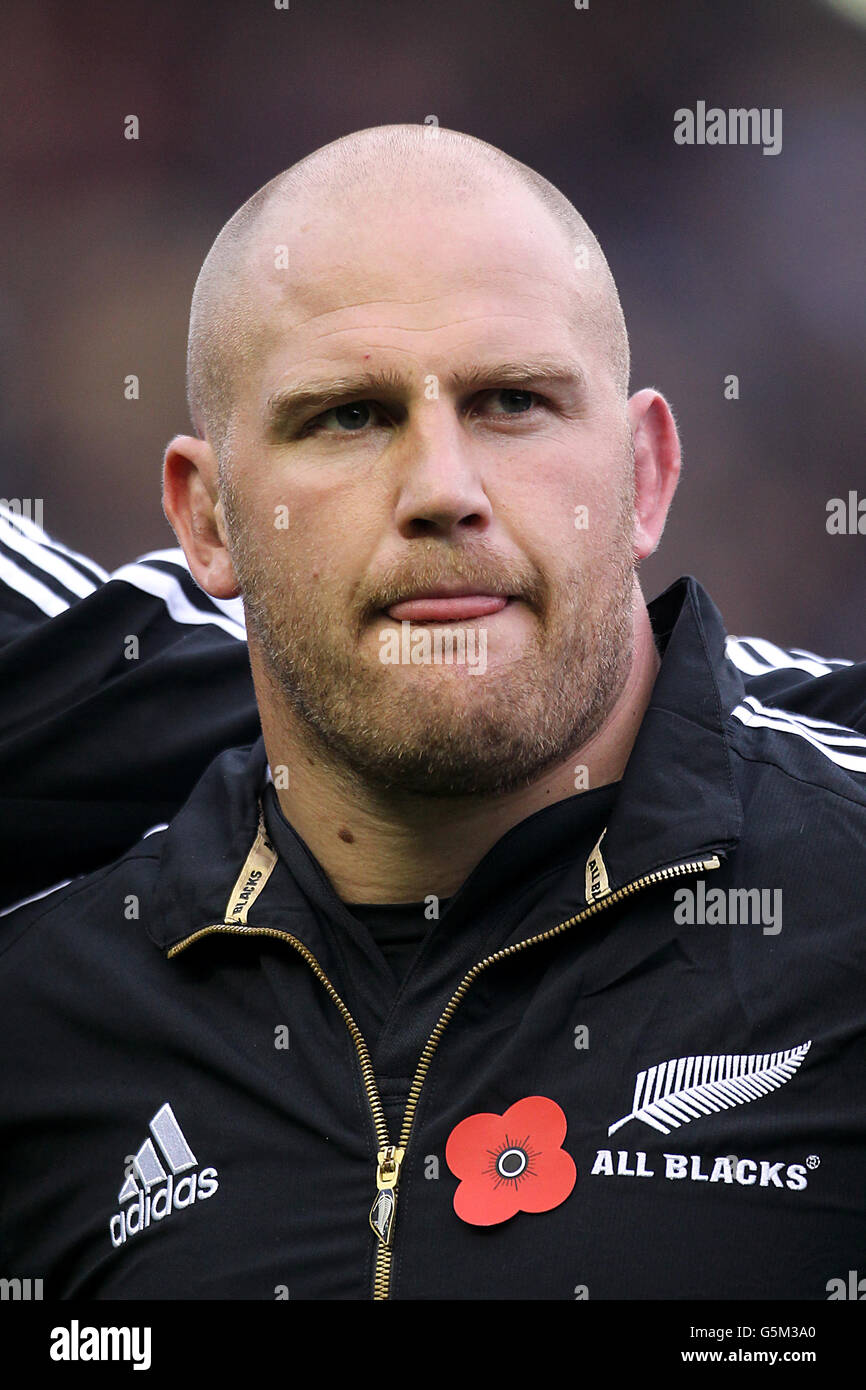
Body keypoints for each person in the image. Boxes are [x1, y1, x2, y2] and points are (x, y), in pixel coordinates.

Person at [1, 123, 864, 1301]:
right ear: (205, 520)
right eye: (347, 417)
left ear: (644, 475)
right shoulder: (49, 1012)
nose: (442, 490)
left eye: (512, 401)